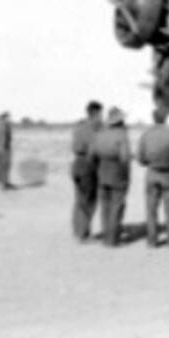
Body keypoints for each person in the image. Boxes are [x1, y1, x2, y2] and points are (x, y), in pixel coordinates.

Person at [138, 106, 169, 248]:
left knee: (151, 209)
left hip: (152, 174)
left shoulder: (146, 135)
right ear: (165, 118)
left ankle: (152, 241)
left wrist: (150, 163)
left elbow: (140, 158)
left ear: (153, 118)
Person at [88, 107, 132, 246]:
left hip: (102, 173)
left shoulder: (99, 134)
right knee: (116, 207)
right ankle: (112, 240)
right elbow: (125, 158)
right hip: (118, 174)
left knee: (105, 207)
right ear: (120, 121)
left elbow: (91, 156)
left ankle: (106, 236)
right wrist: (126, 176)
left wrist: (98, 168)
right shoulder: (122, 136)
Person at [70, 100, 103, 241]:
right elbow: (96, 148)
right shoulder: (95, 128)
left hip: (76, 163)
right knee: (89, 200)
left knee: (79, 199)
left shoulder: (79, 127)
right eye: (101, 113)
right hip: (89, 165)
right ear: (96, 113)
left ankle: (78, 229)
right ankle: (83, 233)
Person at [0, 111, 13, 189]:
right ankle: (4, 183)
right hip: (1, 150)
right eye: (7, 118)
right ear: (2, 118)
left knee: (7, 166)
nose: (9, 119)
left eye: (8, 118)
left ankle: (5, 182)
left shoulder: (7, 126)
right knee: (2, 167)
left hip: (7, 149)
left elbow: (8, 138)